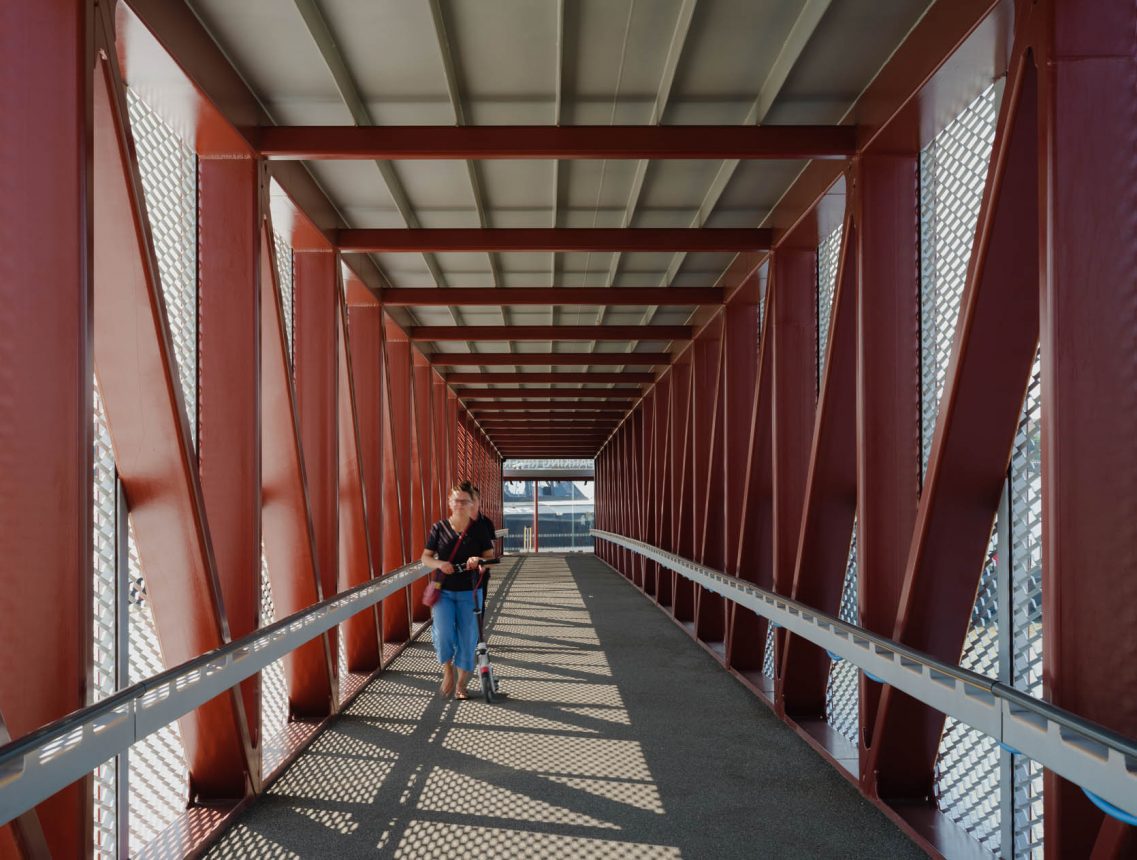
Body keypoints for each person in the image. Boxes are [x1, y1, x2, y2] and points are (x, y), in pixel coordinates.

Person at [422, 481, 495, 699]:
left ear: (472, 504)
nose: (460, 505)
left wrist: (478, 560)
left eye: (465, 501)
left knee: (468, 637)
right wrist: (439, 564)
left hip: (470, 592)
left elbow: (490, 558)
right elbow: (425, 557)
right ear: (449, 502)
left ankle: (461, 685)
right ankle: (447, 671)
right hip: (443, 591)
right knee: (443, 633)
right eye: (456, 500)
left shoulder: (479, 529)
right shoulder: (439, 528)